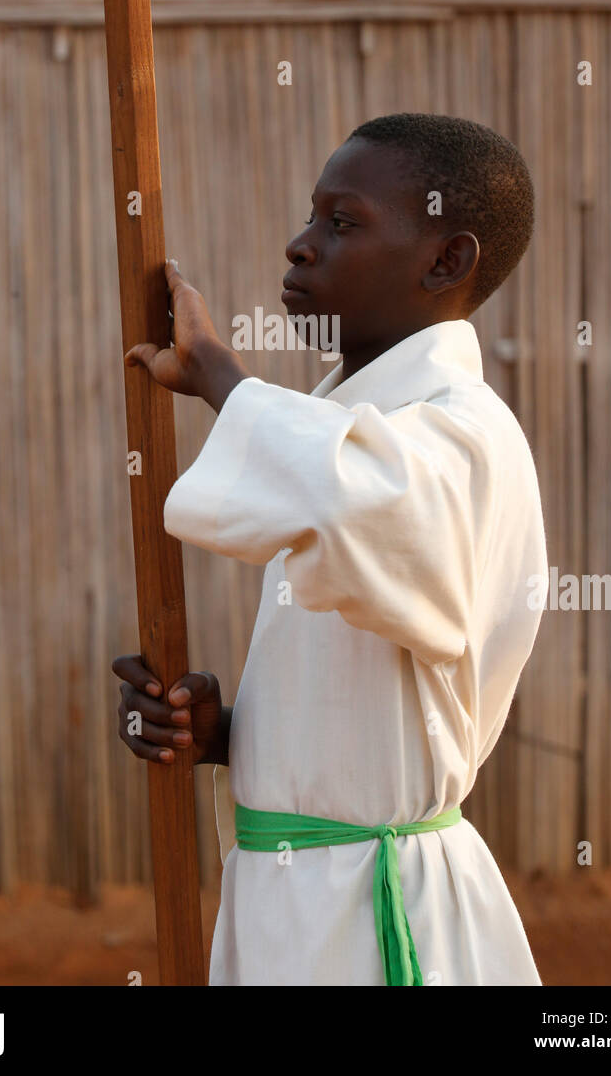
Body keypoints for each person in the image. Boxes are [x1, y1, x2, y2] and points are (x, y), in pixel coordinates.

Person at [113, 112, 549, 986]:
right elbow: (375, 700)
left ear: (446, 261)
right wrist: (230, 736)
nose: (301, 244)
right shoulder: (360, 435)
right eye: (312, 218)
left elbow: (354, 501)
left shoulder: (457, 435)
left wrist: (222, 380)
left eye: (341, 223)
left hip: (376, 919)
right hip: (286, 905)